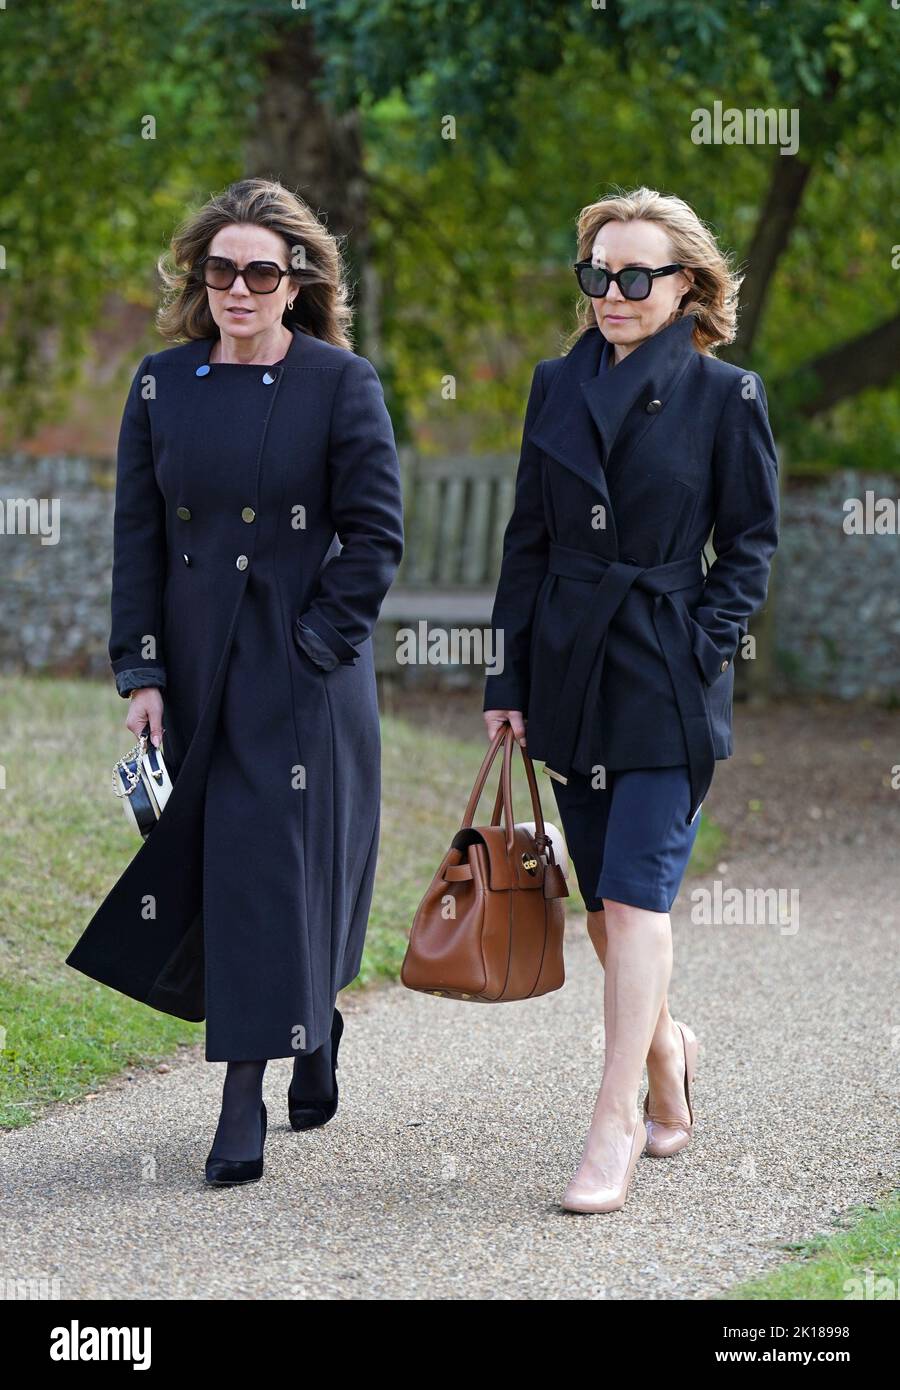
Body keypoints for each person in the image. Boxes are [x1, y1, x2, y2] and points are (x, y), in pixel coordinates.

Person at [67, 177, 404, 1186]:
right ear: (201, 279)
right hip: (195, 671)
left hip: (302, 672)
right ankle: (311, 1026)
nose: (241, 288)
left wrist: (313, 644)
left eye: (263, 270)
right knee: (227, 878)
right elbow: (136, 536)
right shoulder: (162, 383)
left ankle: (237, 1102)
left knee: (273, 873)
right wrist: (143, 670)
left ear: (296, 280)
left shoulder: (341, 383)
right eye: (222, 270)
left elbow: (376, 535)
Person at [483, 186, 779, 1213]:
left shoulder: (723, 396)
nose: (613, 291)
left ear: (686, 283)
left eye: (637, 274)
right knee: (606, 906)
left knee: (634, 898)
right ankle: (669, 1052)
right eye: (598, 273)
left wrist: (700, 647)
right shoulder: (553, 386)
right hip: (570, 669)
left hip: (663, 668)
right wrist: (507, 677)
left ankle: (611, 1125)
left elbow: (749, 545)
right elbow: (526, 541)